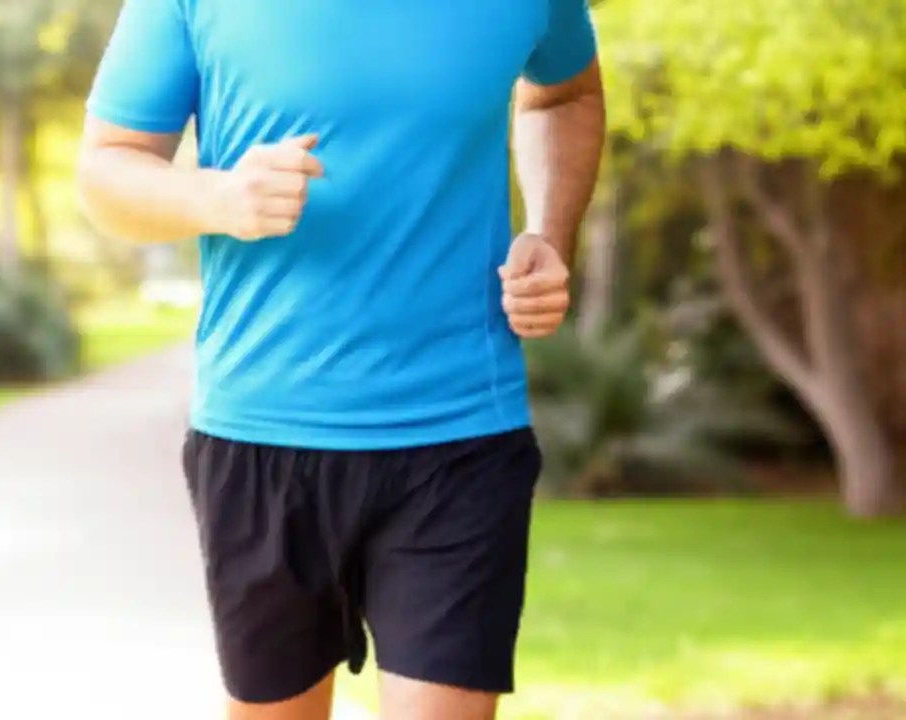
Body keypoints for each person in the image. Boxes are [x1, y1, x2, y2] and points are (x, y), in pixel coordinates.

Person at [77, 1, 604, 717]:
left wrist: (549, 233)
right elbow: (106, 169)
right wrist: (218, 196)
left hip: (461, 432)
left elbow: (566, 94)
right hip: (263, 431)